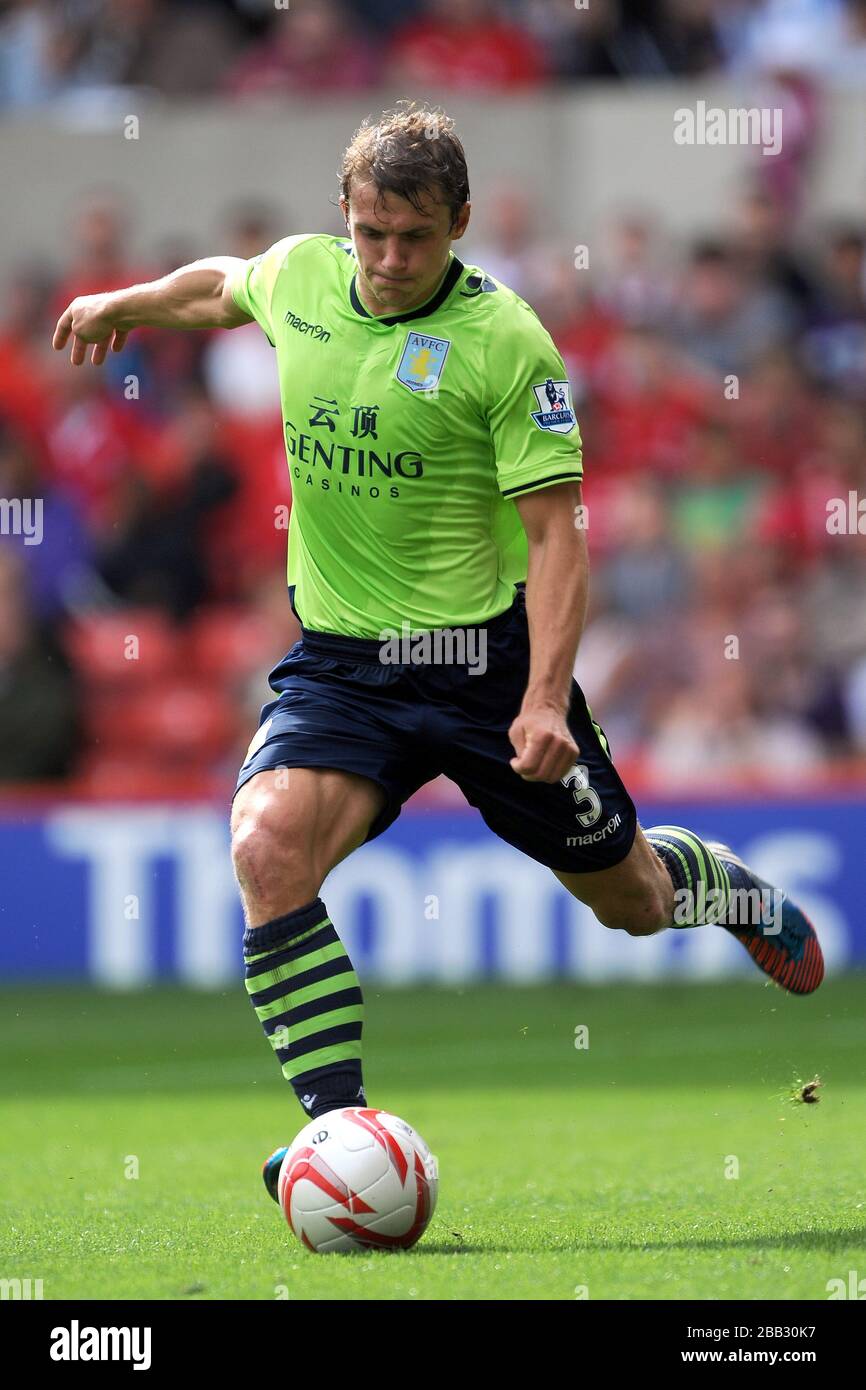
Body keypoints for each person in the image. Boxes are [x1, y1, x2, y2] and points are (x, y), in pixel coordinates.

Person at [52, 102, 824, 1213]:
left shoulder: (504, 342)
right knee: (267, 847)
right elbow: (225, 284)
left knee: (632, 902)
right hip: (341, 666)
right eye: (369, 232)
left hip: (484, 669)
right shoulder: (305, 278)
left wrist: (547, 697)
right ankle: (338, 1132)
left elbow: (559, 535)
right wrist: (126, 300)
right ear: (345, 217)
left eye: (414, 237)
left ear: (458, 224)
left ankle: (720, 886)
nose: (387, 259)